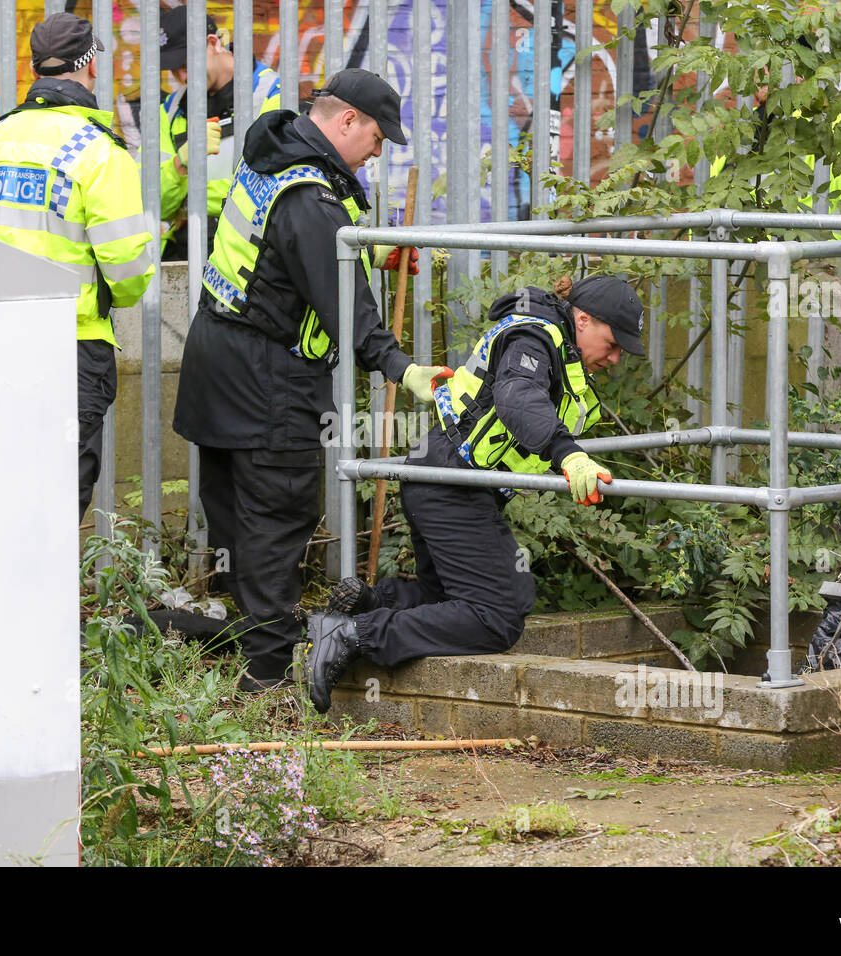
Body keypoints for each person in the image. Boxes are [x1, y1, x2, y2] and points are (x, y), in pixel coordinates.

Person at [172, 68, 443, 693]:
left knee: (236, 524)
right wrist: (401, 367)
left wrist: (371, 249)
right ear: (346, 120)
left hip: (217, 366)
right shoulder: (311, 197)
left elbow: (283, 254)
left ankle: (245, 658)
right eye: (377, 137)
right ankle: (265, 684)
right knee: (276, 522)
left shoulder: (274, 155)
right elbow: (340, 299)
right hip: (270, 383)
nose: (378, 152)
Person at [306, 276, 646, 713]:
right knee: (497, 618)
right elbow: (517, 397)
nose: (616, 357)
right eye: (614, 343)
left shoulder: (551, 339)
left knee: (468, 598)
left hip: (445, 480)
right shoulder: (533, 339)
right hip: (452, 484)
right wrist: (569, 455)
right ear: (583, 319)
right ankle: (354, 634)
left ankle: (373, 602)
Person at [0, 12, 154, 522]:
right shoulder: (99, 152)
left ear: (34, 68)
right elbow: (129, 269)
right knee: (61, 490)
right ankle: (45, 599)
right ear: (90, 65)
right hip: (72, 342)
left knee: (4, 477)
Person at [156, 6, 282, 259]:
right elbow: (154, 202)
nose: (181, 76)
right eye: (173, 69)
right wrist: (180, 165)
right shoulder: (170, 111)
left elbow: (269, 193)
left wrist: (188, 198)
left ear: (212, 43)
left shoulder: (272, 95)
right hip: (185, 250)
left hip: (250, 252)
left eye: (185, 64)